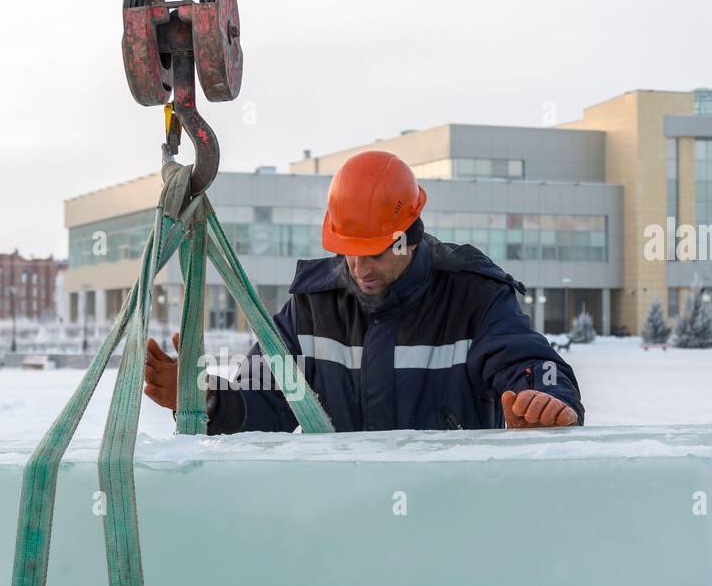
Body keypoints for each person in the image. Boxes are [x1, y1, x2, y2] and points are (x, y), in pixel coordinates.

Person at [144, 151, 583, 431]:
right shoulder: (312, 307)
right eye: (348, 251)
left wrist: (545, 401)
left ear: (407, 238)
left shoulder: (472, 296)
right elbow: (263, 397)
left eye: (373, 253)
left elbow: (531, 364)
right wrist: (206, 398)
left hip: (455, 518)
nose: (358, 267)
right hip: (346, 521)